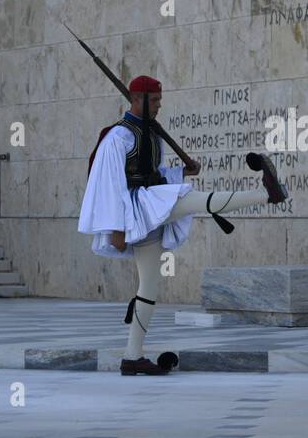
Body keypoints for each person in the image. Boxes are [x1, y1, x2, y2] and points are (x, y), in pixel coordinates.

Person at [78, 75, 287, 375]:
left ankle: (131, 356)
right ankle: (266, 193)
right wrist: (116, 229)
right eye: (156, 101)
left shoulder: (151, 133)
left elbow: (155, 172)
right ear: (138, 100)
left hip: (150, 204)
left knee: (149, 285)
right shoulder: (117, 138)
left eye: (160, 101)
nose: (160, 106)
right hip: (137, 208)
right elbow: (108, 185)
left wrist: (181, 171)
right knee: (198, 201)